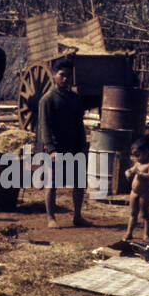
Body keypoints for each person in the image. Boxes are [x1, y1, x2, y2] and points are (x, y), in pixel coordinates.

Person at [38, 57, 89, 228]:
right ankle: (51, 218)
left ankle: (77, 216)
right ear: (54, 75)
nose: (65, 78)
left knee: (79, 183)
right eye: (62, 75)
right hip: (56, 149)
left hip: (74, 146)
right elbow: (44, 127)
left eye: (68, 75)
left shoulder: (75, 98)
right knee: (52, 183)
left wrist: (83, 144)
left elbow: (79, 123)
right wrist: (51, 149)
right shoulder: (47, 100)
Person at [123, 138, 149, 242]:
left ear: (146, 151)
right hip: (134, 192)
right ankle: (129, 233)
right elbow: (130, 170)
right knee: (133, 213)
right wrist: (127, 172)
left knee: (145, 214)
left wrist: (140, 174)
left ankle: (146, 235)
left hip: (144, 193)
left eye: (138, 155)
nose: (136, 158)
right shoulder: (137, 163)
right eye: (134, 155)